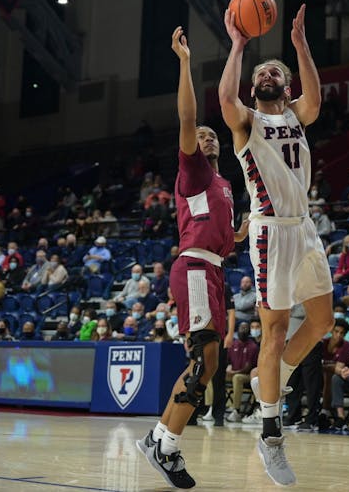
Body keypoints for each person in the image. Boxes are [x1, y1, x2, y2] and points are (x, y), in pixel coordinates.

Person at [218, 4, 334, 486]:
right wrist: (239, 45)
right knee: (277, 330)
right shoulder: (246, 123)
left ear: (286, 88)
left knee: (323, 320)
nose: (268, 74)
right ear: (254, 85)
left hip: (304, 227)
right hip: (269, 232)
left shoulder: (297, 116)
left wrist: (300, 43)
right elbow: (224, 97)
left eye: (276, 72)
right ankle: (270, 434)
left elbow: (316, 98)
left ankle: (275, 382)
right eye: (261, 72)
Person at [137, 27, 248, 490]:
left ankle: (159, 439)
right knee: (203, 363)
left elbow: (225, 238)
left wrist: (244, 231)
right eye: (199, 136)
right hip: (196, 268)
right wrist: (184, 63)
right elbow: (187, 118)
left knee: (209, 363)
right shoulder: (193, 171)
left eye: (210, 135)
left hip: (214, 269)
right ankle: (165, 444)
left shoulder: (225, 187)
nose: (205, 137)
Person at [225, 322, 260, 422]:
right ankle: (211, 408)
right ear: (237, 329)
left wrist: (233, 372)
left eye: (246, 328)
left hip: (247, 376)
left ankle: (236, 410)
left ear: (248, 331)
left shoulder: (253, 346)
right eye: (241, 328)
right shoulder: (233, 344)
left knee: (237, 378)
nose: (243, 330)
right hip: (232, 373)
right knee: (214, 376)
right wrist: (228, 367)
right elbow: (228, 361)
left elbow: (247, 368)